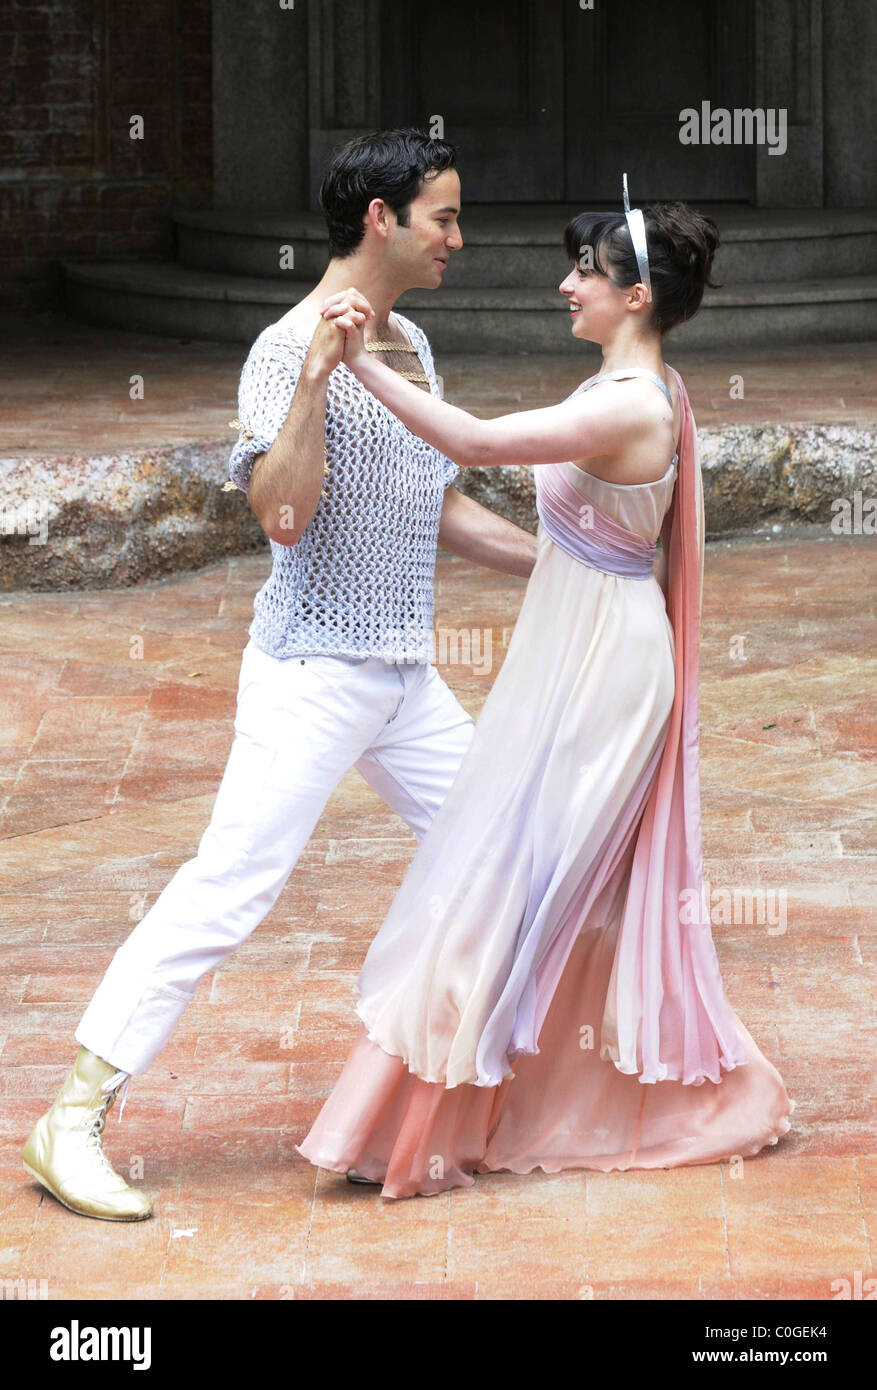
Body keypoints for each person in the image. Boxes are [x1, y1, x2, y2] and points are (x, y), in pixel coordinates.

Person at [21, 128, 538, 1221]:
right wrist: (312, 383)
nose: (458, 235)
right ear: (379, 219)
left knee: (514, 849)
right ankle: (71, 1117)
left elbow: (432, 503)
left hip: (404, 680)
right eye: (442, 214)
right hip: (310, 673)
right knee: (230, 885)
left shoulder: (416, 347)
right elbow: (282, 515)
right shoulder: (280, 348)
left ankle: (473, 1092)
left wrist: (567, 569)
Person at [296, 179, 795, 1198]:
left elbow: (475, 444)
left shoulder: (629, 403)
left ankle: (447, 1117)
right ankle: (461, 1107)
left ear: (637, 298)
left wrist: (356, 363)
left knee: (518, 880)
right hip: (583, 646)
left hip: (602, 672)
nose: (567, 285)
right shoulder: (631, 389)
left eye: (587, 274)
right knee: (521, 877)